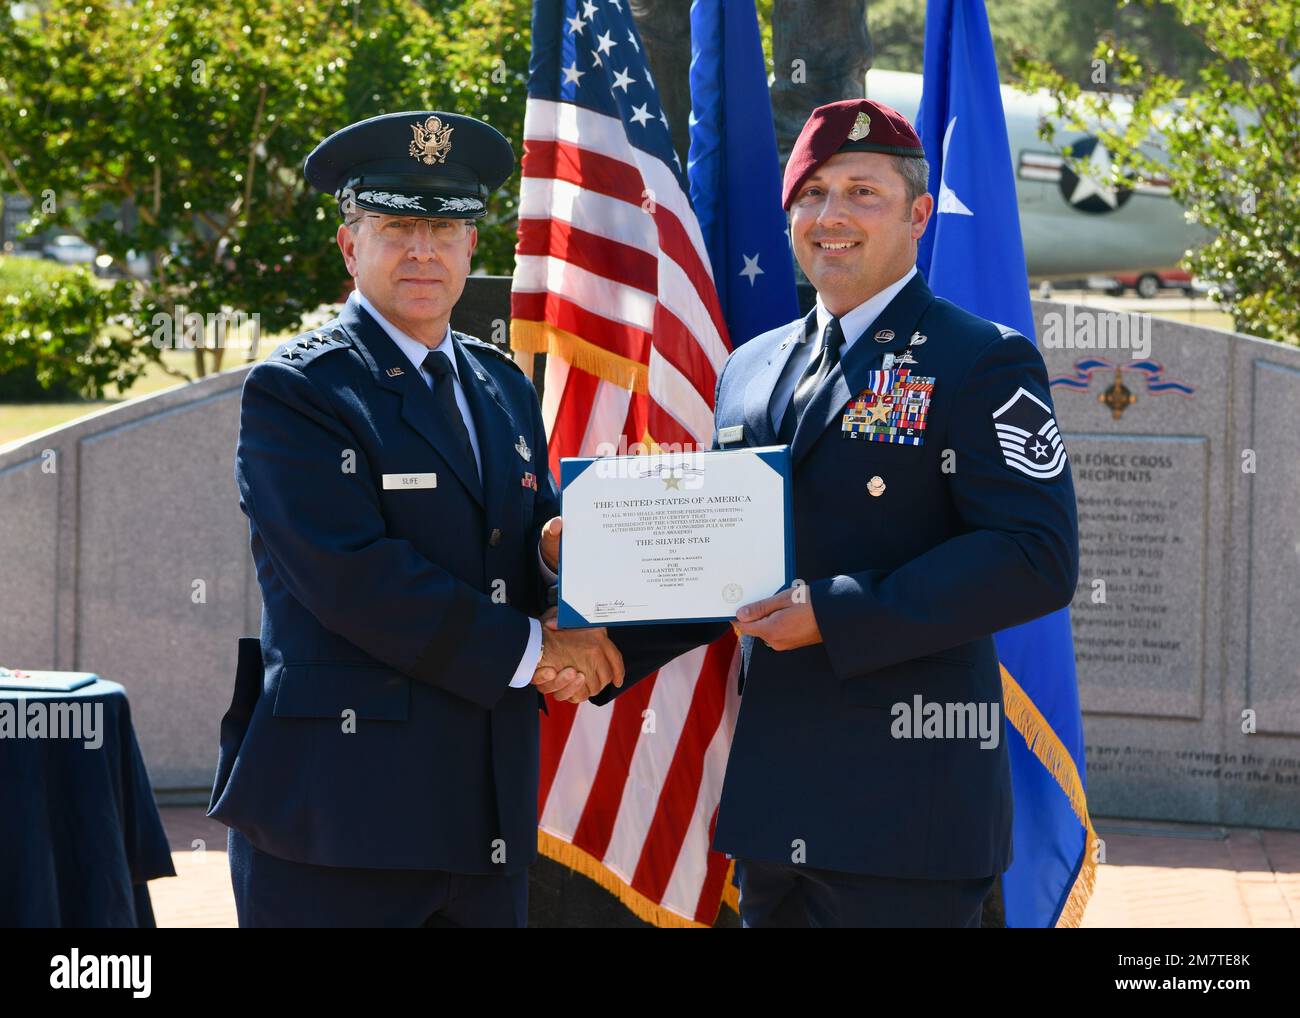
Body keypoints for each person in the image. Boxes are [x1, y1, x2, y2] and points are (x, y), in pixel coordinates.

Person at [565, 98, 1080, 927]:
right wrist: (605, 639)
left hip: (912, 811)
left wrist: (835, 613)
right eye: (810, 193)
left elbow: (1035, 555)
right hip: (777, 806)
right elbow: (724, 559)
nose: (830, 215)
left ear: (918, 214)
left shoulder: (981, 358)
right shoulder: (751, 366)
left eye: (861, 192)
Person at [207, 110, 621, 928]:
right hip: (341, 818)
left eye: (445, 227)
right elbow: (355, 579)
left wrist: (552, 553)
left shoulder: (502, 384)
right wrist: (542, 651)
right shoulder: (301, 392)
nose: (423, 250)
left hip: (485, 817)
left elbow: (519, 530)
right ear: (349, 245)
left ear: (474, 248)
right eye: (397, 226)